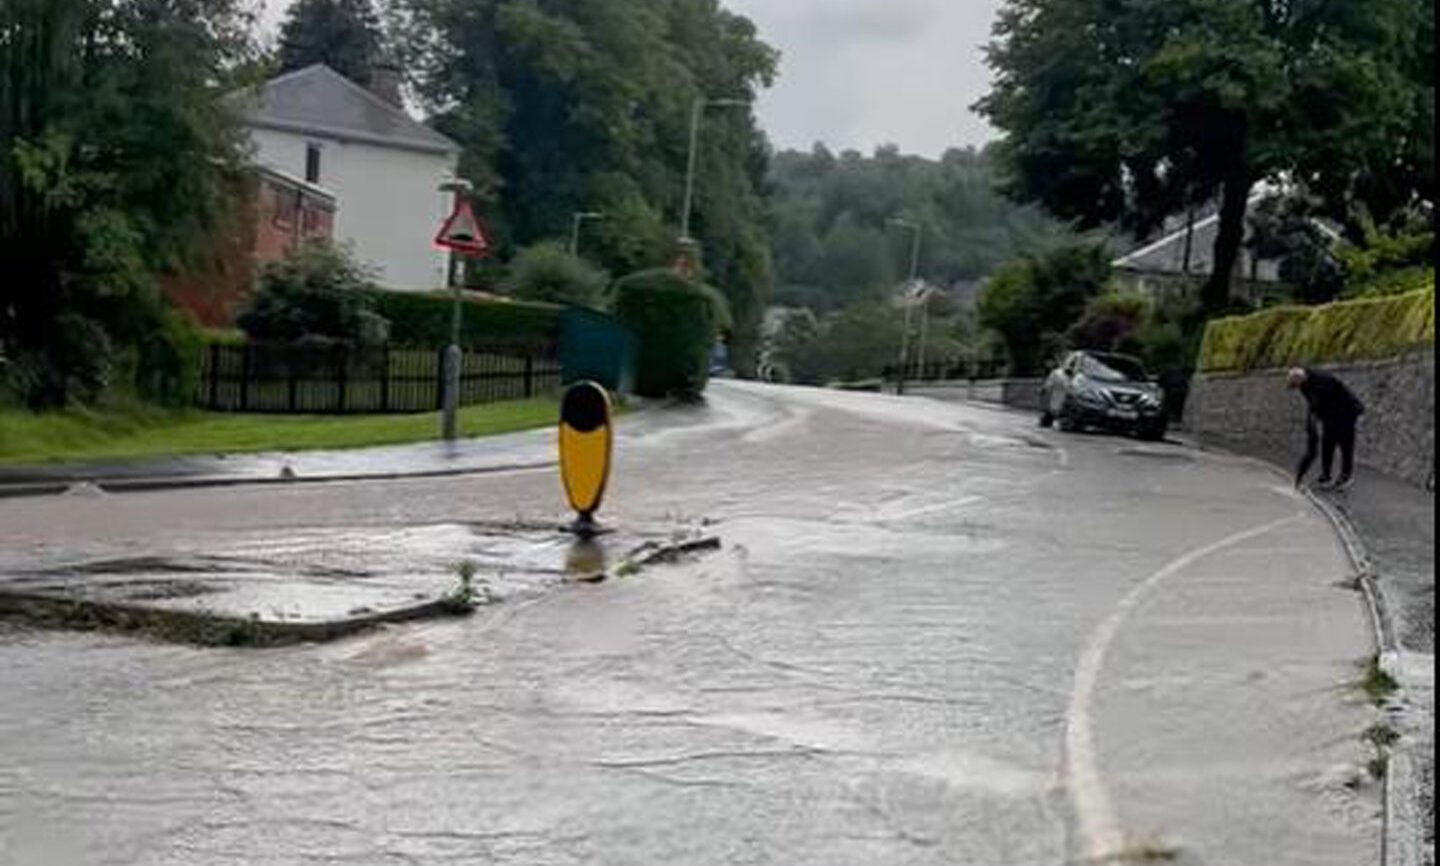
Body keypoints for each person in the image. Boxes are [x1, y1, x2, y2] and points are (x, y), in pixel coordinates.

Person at [1287, 367, 1365, 491]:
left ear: (1299, 378)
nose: (1297, 387)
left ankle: (1345, 477)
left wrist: (1316, 416)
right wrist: (1312, 419)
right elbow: (1312, 403)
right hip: (1330, 416)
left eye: (1295, 384)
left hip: (1346, 411)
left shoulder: (1323, 379)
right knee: (1327, 444)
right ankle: (1325, 476)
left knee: (1345, 444)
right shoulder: (1304, 385)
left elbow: (1326, 400)